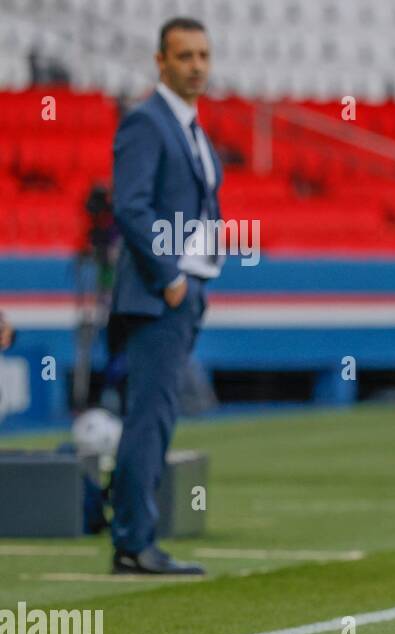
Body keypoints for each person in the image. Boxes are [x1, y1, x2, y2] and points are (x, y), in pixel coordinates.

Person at [108, 17, 224, 576]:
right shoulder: (147, 122)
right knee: (148, 417)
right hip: (160, 293)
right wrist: (171, 276)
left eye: (203, 55)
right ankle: (133, 540)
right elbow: (130, 208)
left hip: (185, 287)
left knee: (158, 414)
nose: (196, 65)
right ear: (161, 61)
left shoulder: (190, 127)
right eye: (184, 56)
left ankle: (135, 535)